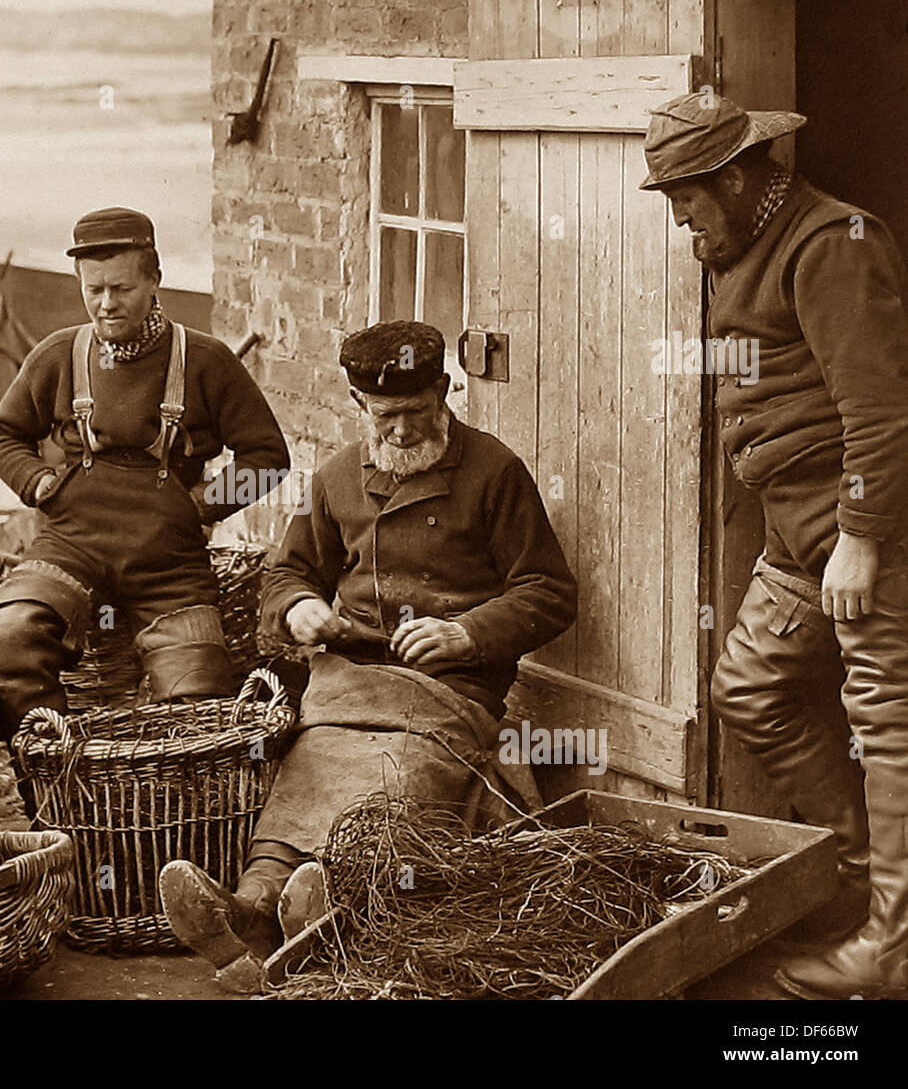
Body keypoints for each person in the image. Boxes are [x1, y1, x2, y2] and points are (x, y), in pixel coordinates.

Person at [159, 321, 577, 991]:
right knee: (307, 770)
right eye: (386, 416)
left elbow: (548, 591)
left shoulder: (494, 473)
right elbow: (285, 575)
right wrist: (299, 607)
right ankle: (254, 906)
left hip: (446, 694)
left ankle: (322, 904)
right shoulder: (334, 480)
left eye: (417, 413)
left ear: (444, 391)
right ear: (359, 406)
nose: (403, 431)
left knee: (393, 777)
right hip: (346, 685)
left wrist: (466, 632)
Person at [641, 93, 908, 999]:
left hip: (868, 537)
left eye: (689, 197)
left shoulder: (835, 244)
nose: (681, 219)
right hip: (800, 542)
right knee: (750, 688)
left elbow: (879, 411)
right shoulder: (739, 244)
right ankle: (861, 878)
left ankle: (894, 952)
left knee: (891, 727)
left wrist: (864, 540)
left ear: (738, 177)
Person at [0, 207, 290, 733]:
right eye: (93, 289)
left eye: (120, 288)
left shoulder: (207, 361)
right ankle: (52, 786)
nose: (105, 303)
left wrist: (199, 506)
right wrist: (40, 483)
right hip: (69, 546)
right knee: (11, 639)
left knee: (198, 697)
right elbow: (1, 433)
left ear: (154, 280)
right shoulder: (58, 354)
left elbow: (269, 459)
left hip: (169, 564)